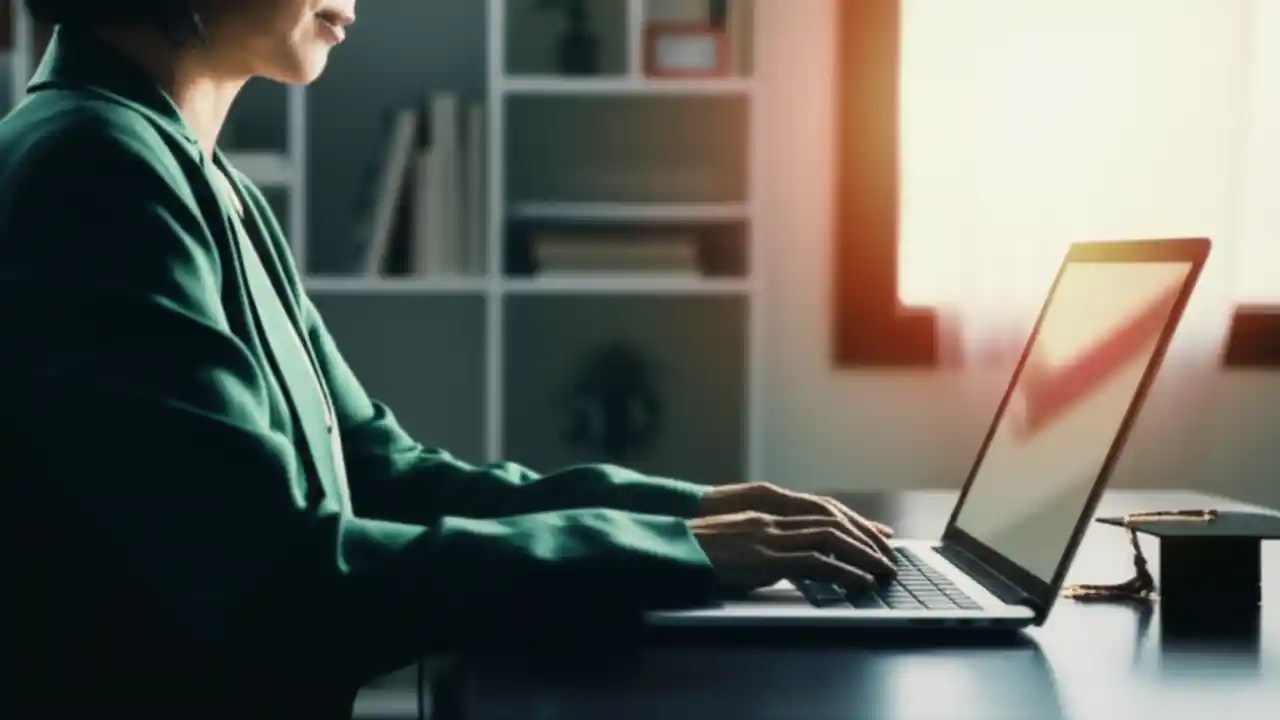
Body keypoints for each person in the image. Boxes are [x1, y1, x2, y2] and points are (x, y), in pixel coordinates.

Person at [0, 1, 897, 716]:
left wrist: (693, 512)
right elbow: (282, 584)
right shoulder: (95, 170)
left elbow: (386, 474)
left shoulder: (185, 169)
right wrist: (672, 549)